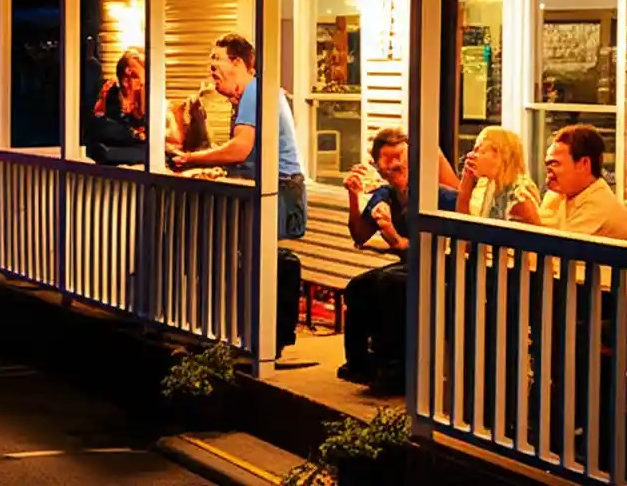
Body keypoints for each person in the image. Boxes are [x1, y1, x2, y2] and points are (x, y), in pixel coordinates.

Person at [338, 127, 459, 389]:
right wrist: (353, 196)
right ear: (377, 163)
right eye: (388, 158)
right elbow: (359, 235)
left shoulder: (435, 194)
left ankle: (395, 367)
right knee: (359, 286)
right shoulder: (386, 195)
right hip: (414, 265)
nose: (395, 163)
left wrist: (395, 237)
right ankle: (359, 363)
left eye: (400, 156)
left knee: (389, 283)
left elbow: (439, 247)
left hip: (445, 267)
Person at [170, 34, 307, 236]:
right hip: (282, 190)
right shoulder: (255, 91)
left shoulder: (254, 91)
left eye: (217, 58)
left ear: (238, 62)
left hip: (281, 192)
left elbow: (239, 149)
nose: (212, 67)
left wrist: (189, 158)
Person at [537, 123, 627, 239]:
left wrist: (529, 219)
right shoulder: (558, 195)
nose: (548, 170)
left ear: (584, 164)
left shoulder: (599, 208)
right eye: (547, 164)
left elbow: (555, 254)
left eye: (555, 163)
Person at [456, 126, 541, 224]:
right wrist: (466, 183)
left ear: (500, 155)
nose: (471, 155)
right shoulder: (490, 187)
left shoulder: (519, 199)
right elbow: (464, 228)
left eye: (480, 151)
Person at [86, 47, 148, 165]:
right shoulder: (111, 90)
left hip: (135, 145)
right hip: (112, 144)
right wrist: (133, 134)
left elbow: (143, 119)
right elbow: (100, 124)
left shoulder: (142, 90)